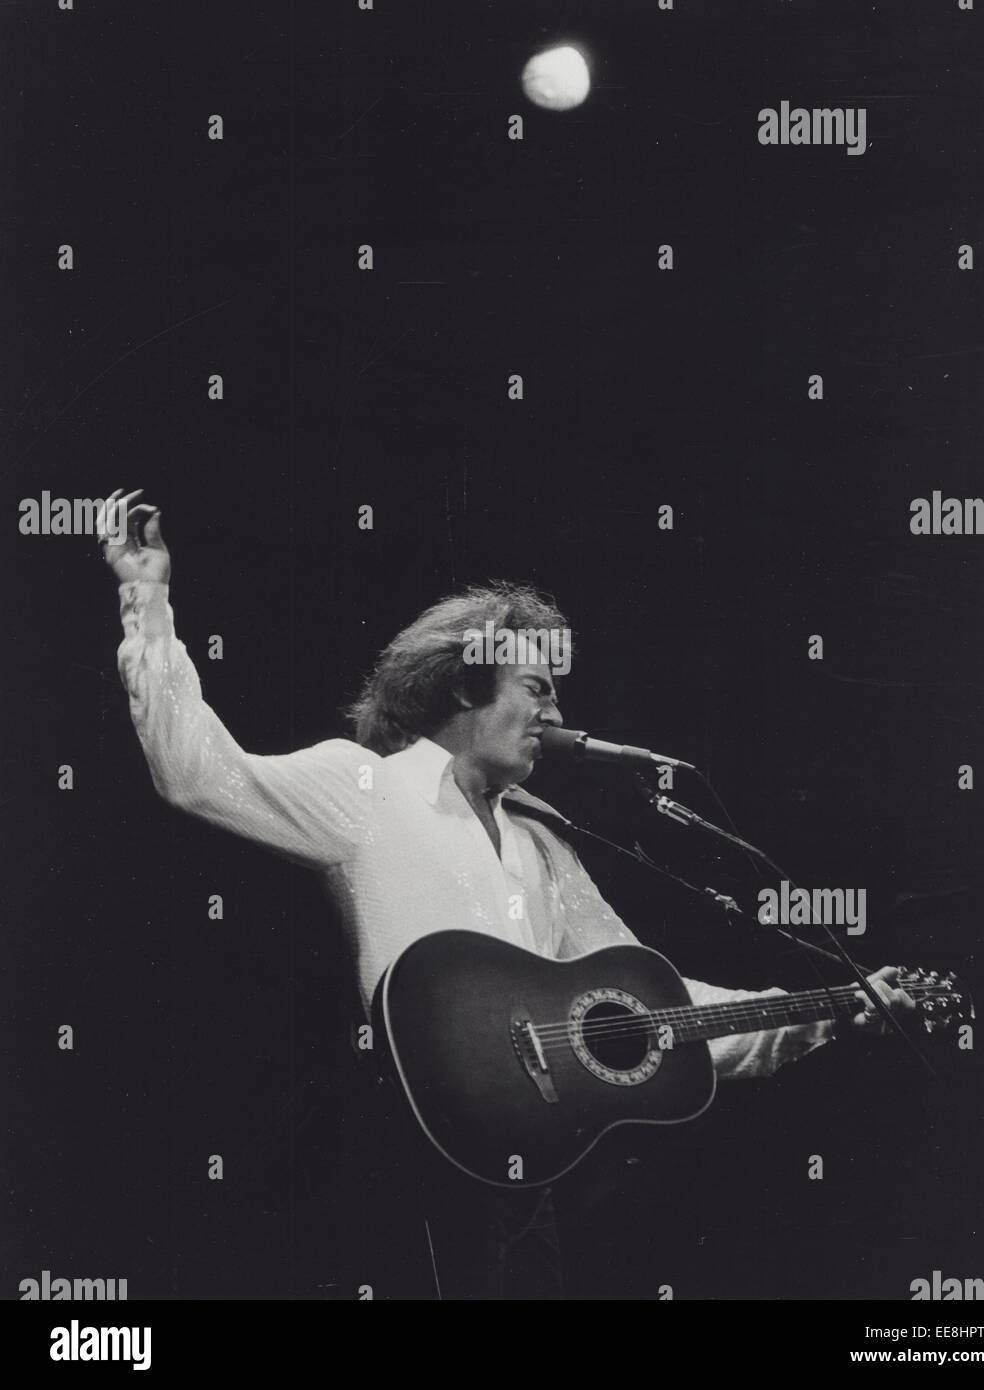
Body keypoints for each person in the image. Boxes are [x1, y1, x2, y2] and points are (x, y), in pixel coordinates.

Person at [98, 487, 915, 1299]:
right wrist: (148, 596)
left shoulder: (542, 839)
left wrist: (832, 1007)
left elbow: (650, 1001)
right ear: (465, 685)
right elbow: (199, 775)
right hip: (406, 1163)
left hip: (525, 1189)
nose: (556, 712)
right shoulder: (364, 788)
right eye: (538, 688)